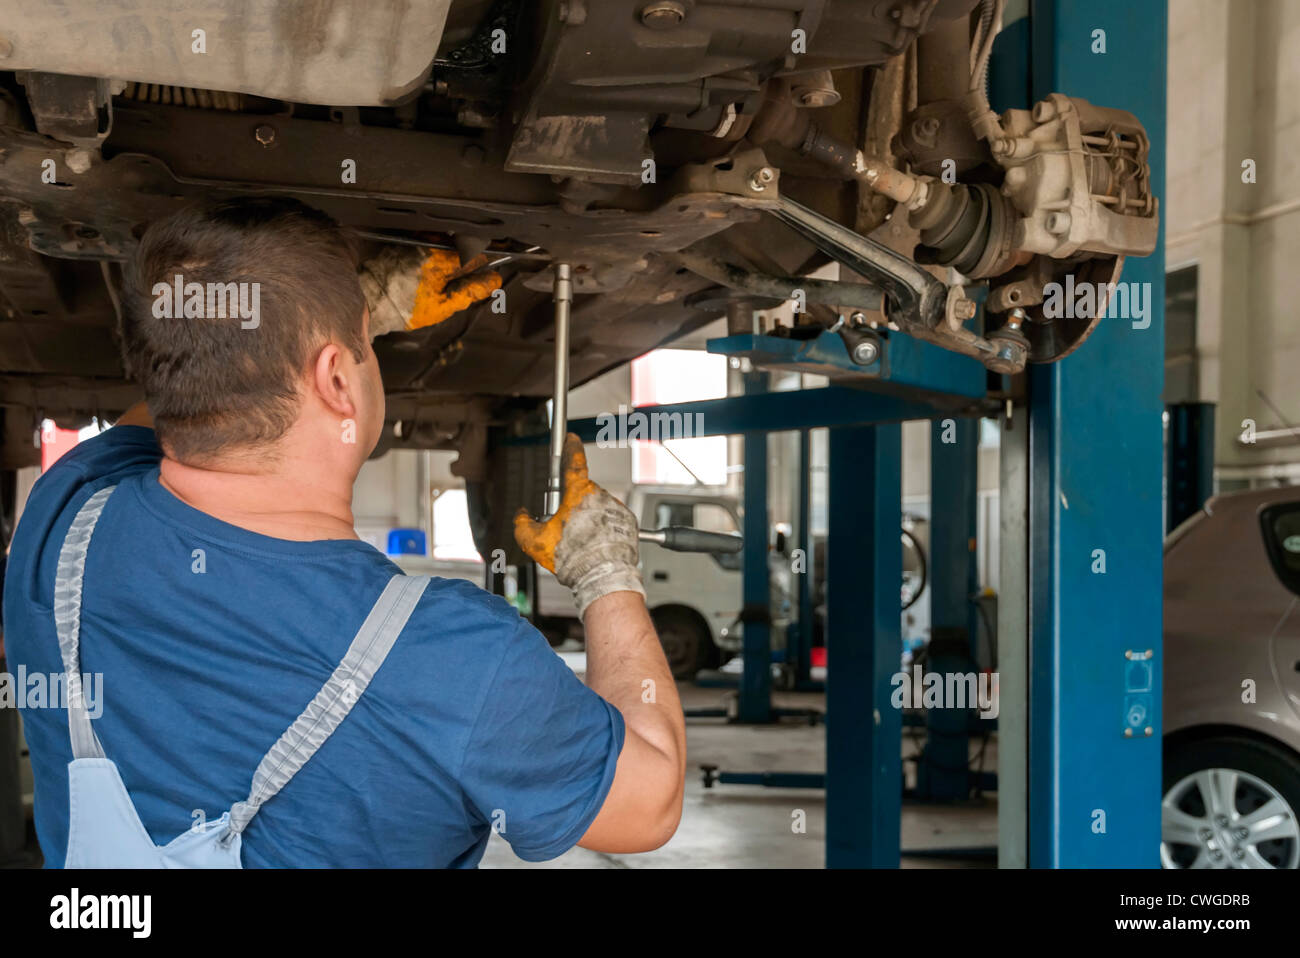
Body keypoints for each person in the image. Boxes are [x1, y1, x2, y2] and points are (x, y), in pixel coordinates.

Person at [2, 196, 685, 867]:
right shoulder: (457, 659)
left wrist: (340, 317)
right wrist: (606, 572)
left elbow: (188, 379)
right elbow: (651, 800)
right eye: (362, 346)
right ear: (335, 377)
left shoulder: (64, 525)